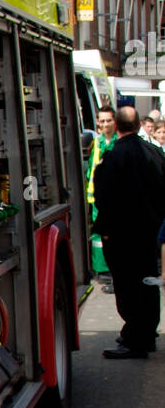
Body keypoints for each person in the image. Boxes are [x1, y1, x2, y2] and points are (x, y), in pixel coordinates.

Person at [94, 106, 165, 358]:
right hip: (149, 233)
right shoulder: (155, 153)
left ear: (118, 126)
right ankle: (146, 333)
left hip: (123, 235)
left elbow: (104, 196)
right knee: (147, 282)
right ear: (137, 126)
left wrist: (106, 229)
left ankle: (135, 338)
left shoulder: (114, 157)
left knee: (127, 286)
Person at [86, 106, 117, 280]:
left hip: (115, 198)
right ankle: (102, 268)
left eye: (108, 120)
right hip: (97, 198)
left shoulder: (118, 141)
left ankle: (115, 268)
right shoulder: (97, 142)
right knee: (98, 235)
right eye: (102, 120)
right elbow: (91, 170)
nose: (105, 124)